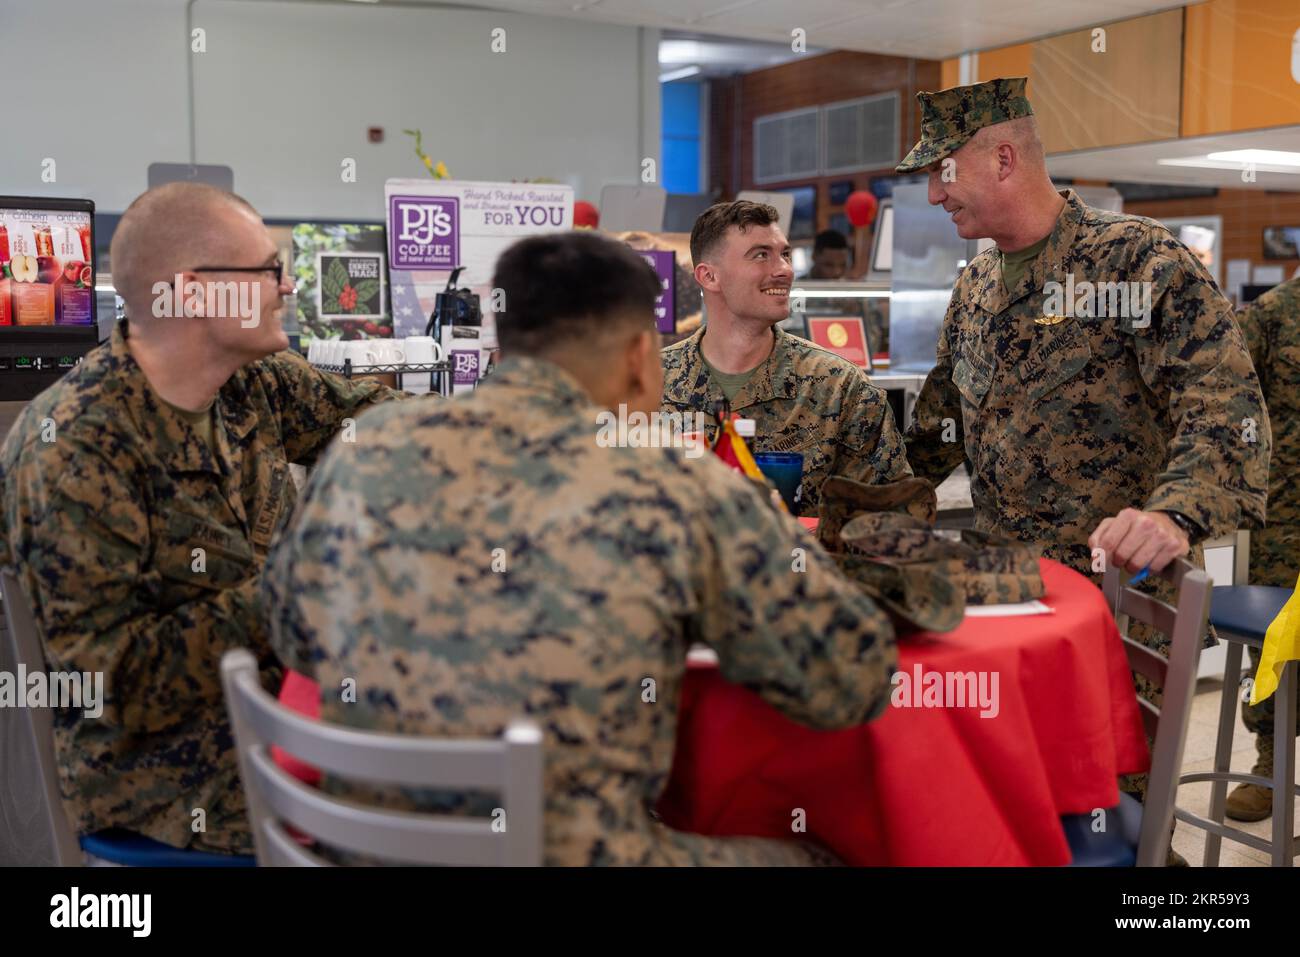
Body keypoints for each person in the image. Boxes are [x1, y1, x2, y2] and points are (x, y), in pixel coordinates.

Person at [262, 231, 898, 866]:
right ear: (638, 355)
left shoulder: (366, 445)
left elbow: (290, 634)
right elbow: (850, 681)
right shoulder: (675, 482)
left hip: (364, 851)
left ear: (504, 343)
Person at [897, 78, 1271, 862]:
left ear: (1003, 159)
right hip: (1005, 599)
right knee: (992, 797)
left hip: (1113, 605)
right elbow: (935, 433)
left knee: (1101, 814)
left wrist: (1172, 514)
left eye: (943, 171)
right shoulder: (974, 286)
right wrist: (849, 496)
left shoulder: (1135, 261)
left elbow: (1227, 410)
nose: (933, 193)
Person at [0, 182, 405, 854]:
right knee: (450, 799)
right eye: (269, 272)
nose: (289, 288)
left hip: (277, 712)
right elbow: (111, 682)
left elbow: (373, 421)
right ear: (195, 293)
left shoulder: (256, 380)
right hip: (167, 778)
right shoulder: (76, 443)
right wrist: (292, 592)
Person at [661, 201, 911, 511]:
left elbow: (891, 517)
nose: (785, 270)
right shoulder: (651, 382)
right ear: (709, 277)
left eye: (785, 254)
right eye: (761, 255)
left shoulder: (840, 388)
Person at [1226, 274, 1300, 821]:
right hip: (1283, 521)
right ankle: (1270, 768)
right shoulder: (1270, 314)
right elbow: (1228, 411)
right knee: (1273, 649)